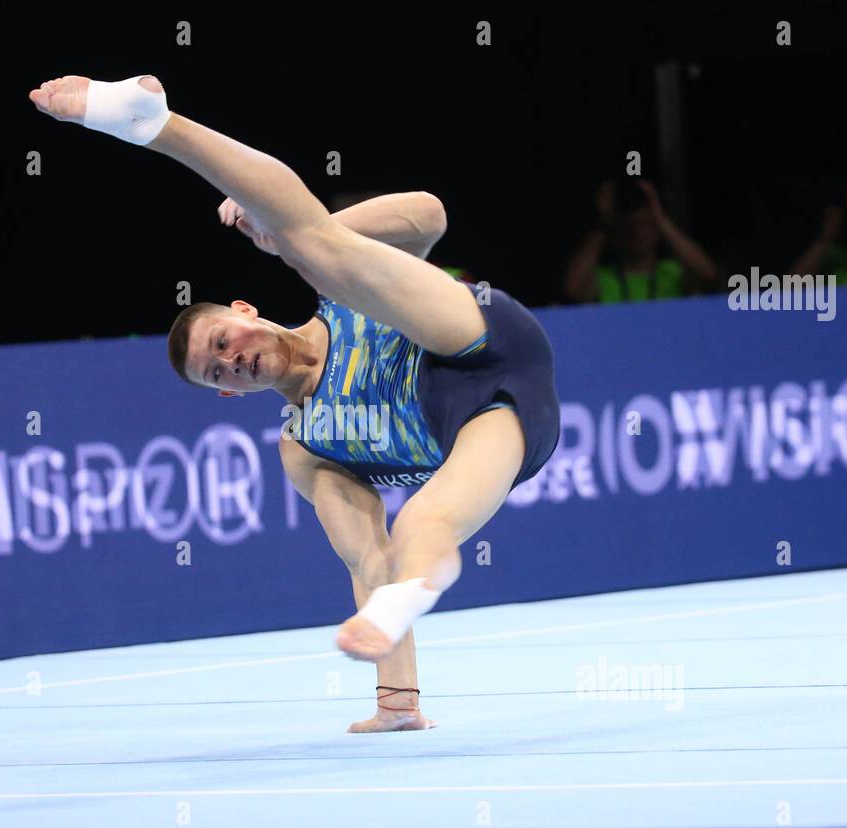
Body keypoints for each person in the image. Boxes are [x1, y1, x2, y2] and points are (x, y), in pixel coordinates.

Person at [30, 74, 561, 732]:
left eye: (224, 338)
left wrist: (286, 234)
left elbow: (429, 214)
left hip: (478, 332)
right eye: (216, 368)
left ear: (245, 311)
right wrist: (395, 697)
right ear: (228, 390)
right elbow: (367, 553)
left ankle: (157, 124)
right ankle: (404, 658)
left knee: (313, 246)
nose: (232, 355)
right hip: (498, 422)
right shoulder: (307, 445)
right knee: (423, 526)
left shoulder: (340, 292)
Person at [563, 178, 717, 303]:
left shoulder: (672, 272)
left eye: (645, 224)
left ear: (657, 231)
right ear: (615, 234)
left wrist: (660, 218)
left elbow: (707, 275)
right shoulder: (604, 279)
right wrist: (603, 221)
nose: (637, 232)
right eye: (628, 226)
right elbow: (573, 289)